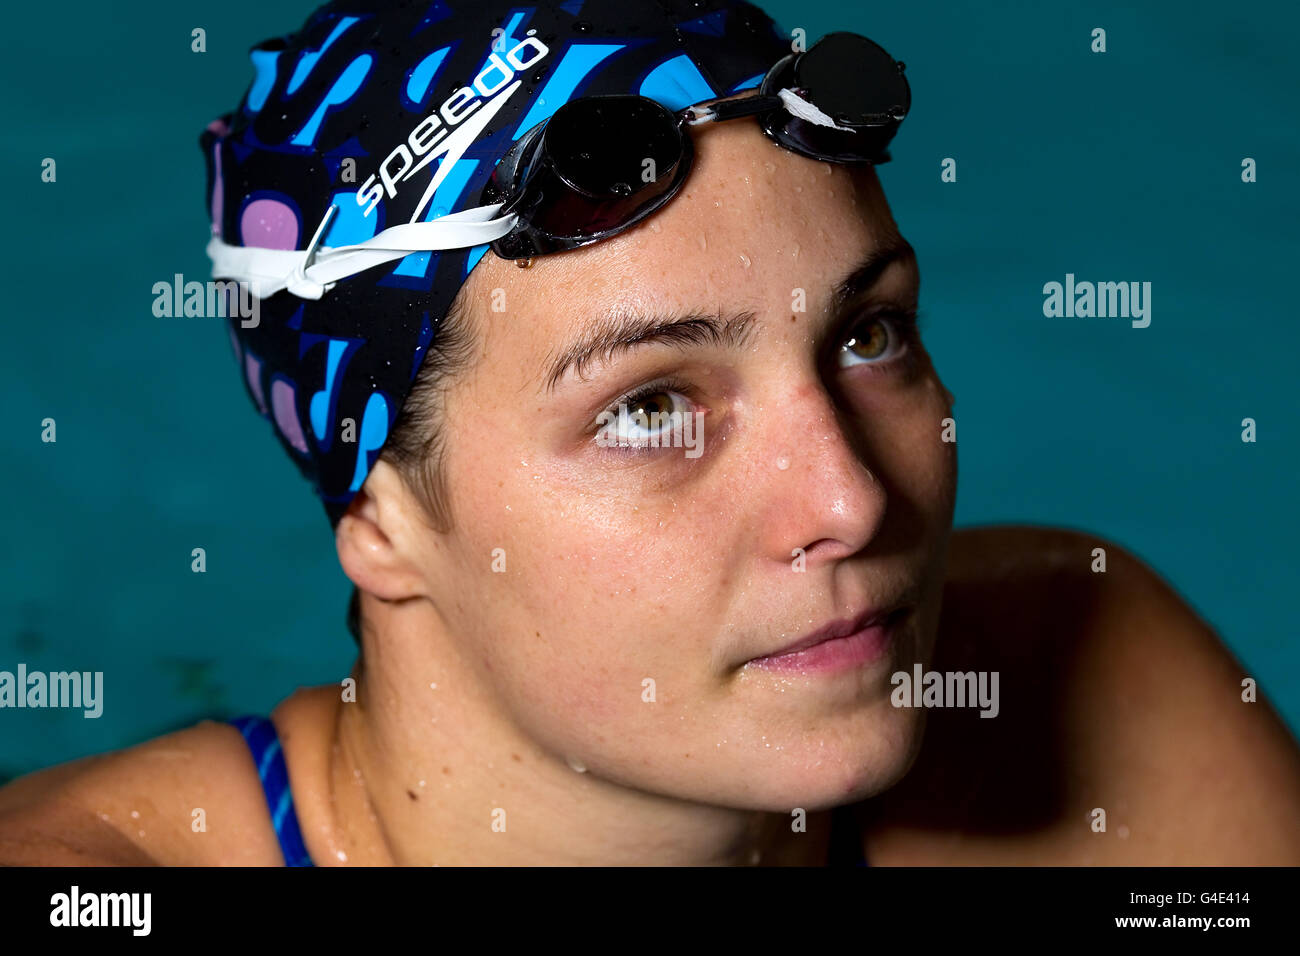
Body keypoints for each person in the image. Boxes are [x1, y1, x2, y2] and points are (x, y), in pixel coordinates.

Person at [2, 0, 1298, 866]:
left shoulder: (1089, 687)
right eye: (651, 406)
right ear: (383, 514)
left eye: (869, 335)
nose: (848, 502)